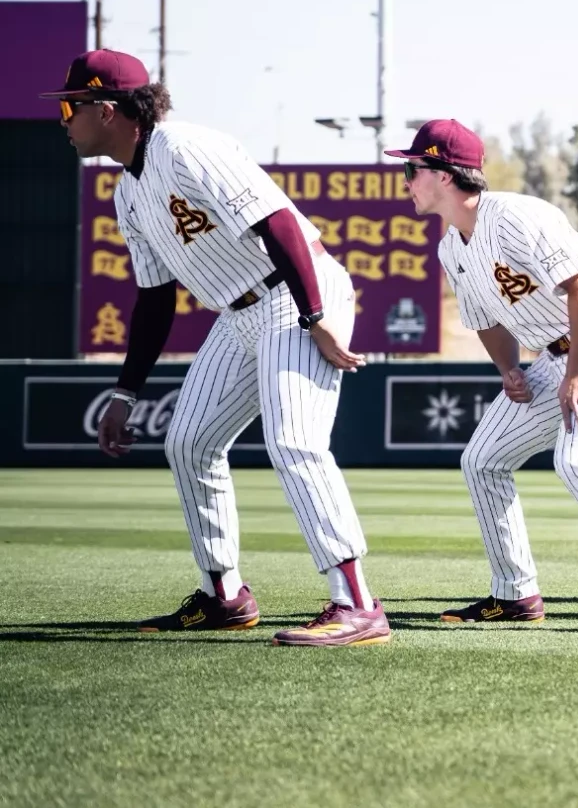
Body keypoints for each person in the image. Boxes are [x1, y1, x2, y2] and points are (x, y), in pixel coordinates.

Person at [51, 49, 386, 646]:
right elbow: (155, 301)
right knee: (189, 442)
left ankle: (357, 604)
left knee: (295, 442)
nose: (64, 119)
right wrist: (126, 392)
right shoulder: (128, 192)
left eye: (70, 106)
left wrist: (316, 316)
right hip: (237, 313)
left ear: (107, 110)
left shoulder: (185, 149)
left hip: (294, 291)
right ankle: (225, 595)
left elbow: (278, 223)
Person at [395, 120, 578, 633]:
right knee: (482, 460)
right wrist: (509, 369)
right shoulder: (450, 247)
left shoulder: (516, 215)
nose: (405, 179)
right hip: (551, 357)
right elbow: (485, 320)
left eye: (412, 168)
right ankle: (515, 594)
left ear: (443, 174)